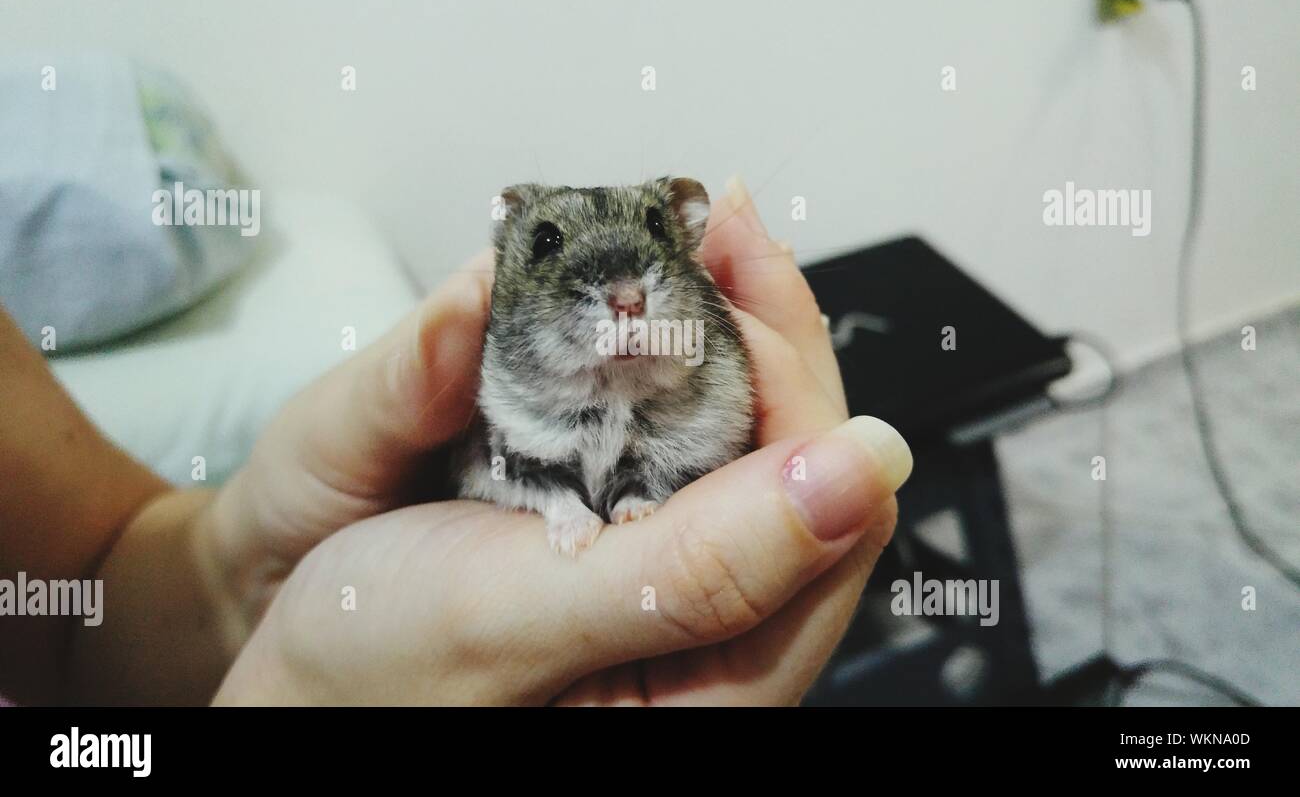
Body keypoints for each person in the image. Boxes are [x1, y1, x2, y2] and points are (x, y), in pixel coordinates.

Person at [0, 178, 911, 705]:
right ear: (516, 254)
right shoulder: (504, 385)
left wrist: (237, 565)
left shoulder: (699, 350)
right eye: (551, 242)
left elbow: (87, 594)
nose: (623, 296)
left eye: (648, 242)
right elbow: (499, 460)